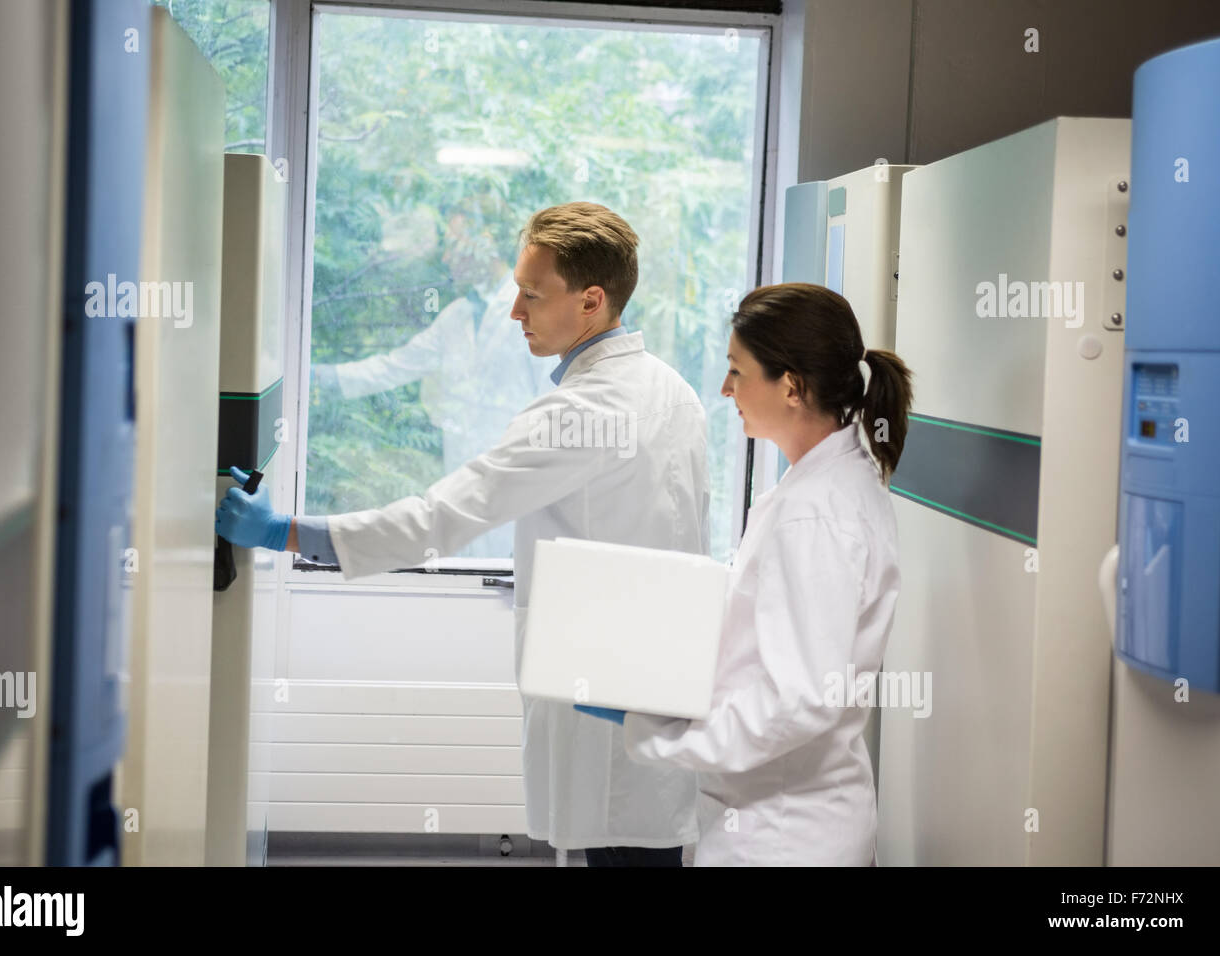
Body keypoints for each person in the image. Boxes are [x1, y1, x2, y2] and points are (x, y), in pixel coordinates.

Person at [218, 202, 709, 866]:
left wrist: (286, 533)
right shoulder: (672, 391)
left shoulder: (577, 413)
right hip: (657, 694)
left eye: (532, 295)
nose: (515, 312)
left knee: (622, 852)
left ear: (592, 301)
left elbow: (438, 519)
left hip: (607, 715)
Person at [577, 282, 913, 866]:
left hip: (783, 834)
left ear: (790, 386)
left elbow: (799, 700)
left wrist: (659, 730)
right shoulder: (816, 487)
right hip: (778, 816)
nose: (725, 388)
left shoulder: (817, 513)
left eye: (737, 370)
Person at [311, 198, 556, 558]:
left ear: (484, 242)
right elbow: (396, 365)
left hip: (517, 480)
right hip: (463, 475)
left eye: (453, 243)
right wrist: (321, 377)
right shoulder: (456, 316)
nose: (445, 258)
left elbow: (551, 399)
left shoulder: (531, 310)